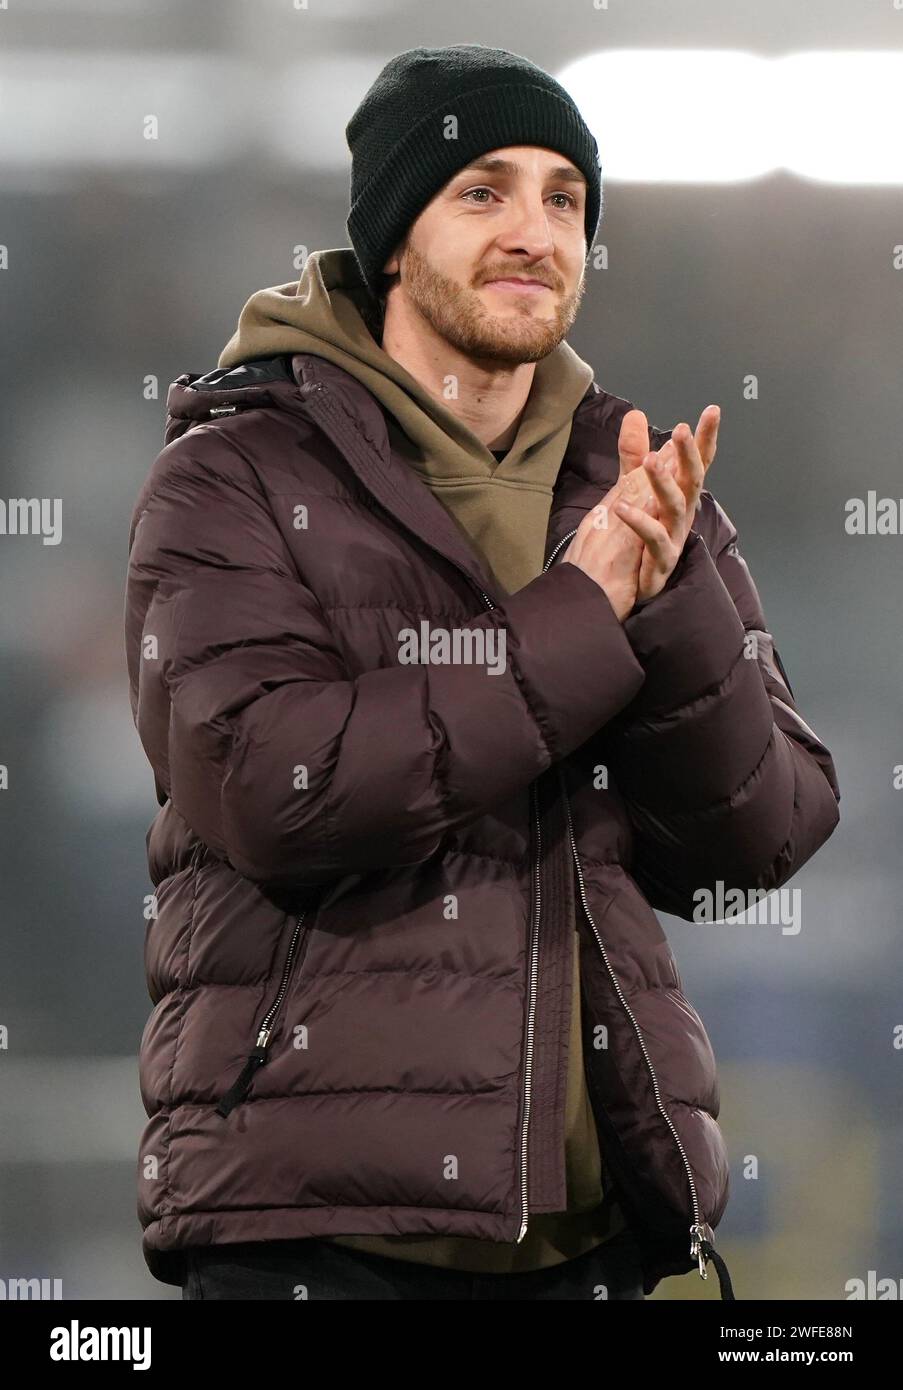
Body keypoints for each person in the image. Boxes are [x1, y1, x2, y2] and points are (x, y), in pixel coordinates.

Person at [125, 43, 841, 1301]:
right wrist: (585, 610)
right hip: (315, 1239)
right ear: (394, 236)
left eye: (565, 198)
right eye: (483, 190)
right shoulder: (233, 476)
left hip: (595, 1243)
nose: (535, 229)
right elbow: (274, 789)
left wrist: (664, 605)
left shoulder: (634, 490)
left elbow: (764, 834)